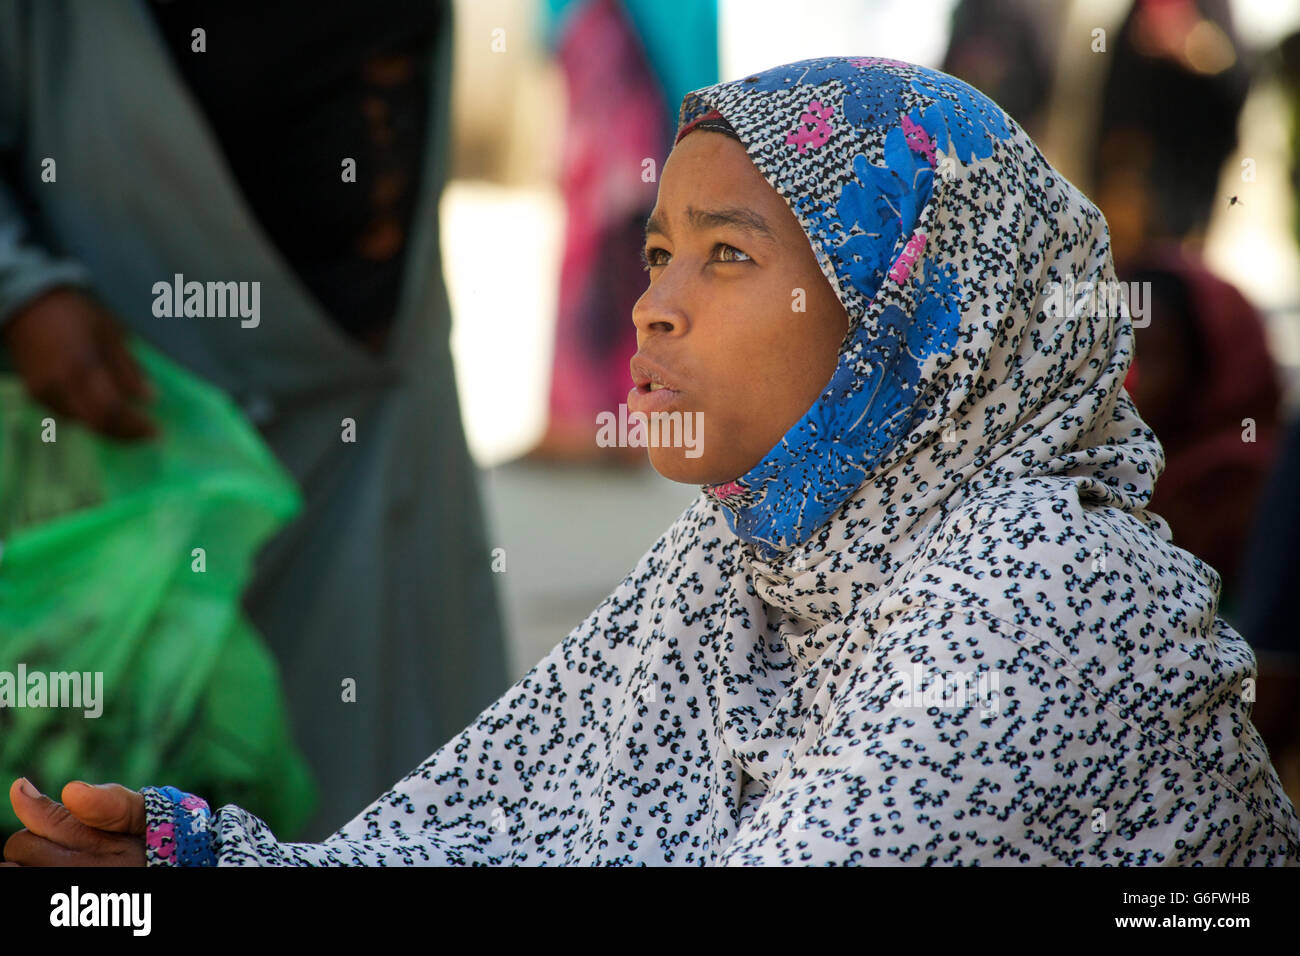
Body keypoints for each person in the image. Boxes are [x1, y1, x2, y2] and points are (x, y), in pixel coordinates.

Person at [6, 56, 1299, 866]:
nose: (654, 307)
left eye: (728, 257)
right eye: (659, 252)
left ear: (918, 319)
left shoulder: (1045, 598)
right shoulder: (747, 551)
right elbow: (482, 834)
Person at [0, 0, 508, 838]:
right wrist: (20, 287)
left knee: (426, 782)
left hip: (391, 393)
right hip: (158, 405)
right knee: (150, 796)